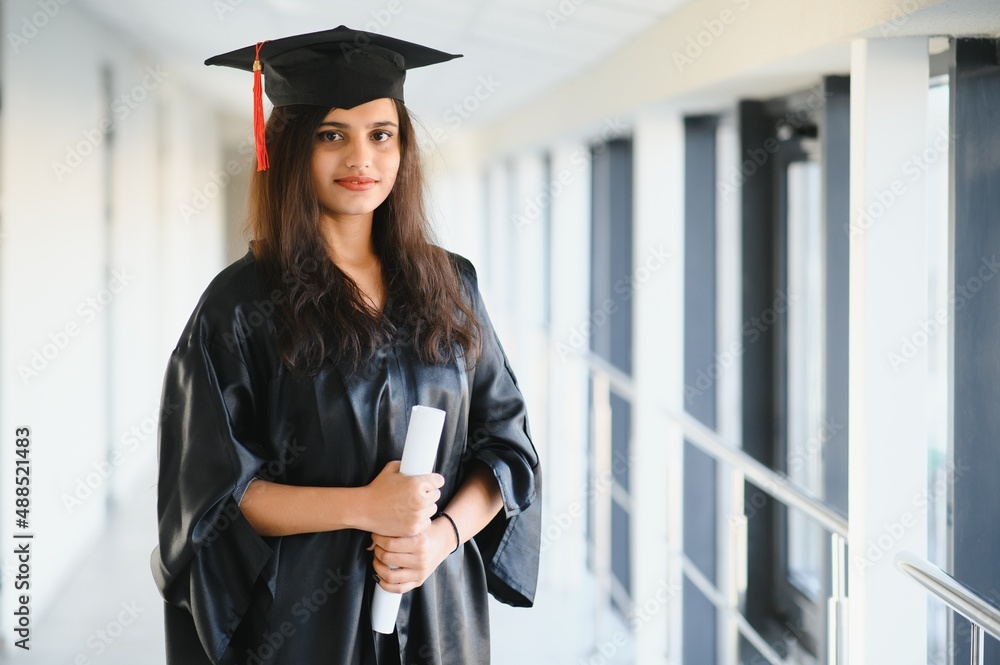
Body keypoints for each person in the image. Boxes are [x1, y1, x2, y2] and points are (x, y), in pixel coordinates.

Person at [150, 26, 541, 665]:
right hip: (303, 624)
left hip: (435, 609)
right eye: (333, 135)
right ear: (288, 147)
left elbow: (506, 449)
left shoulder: (452, 283)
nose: (361, 158)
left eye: (381, 135)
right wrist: (366, 506)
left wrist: (438, 537)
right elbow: (215, 494)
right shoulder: (241, 305)